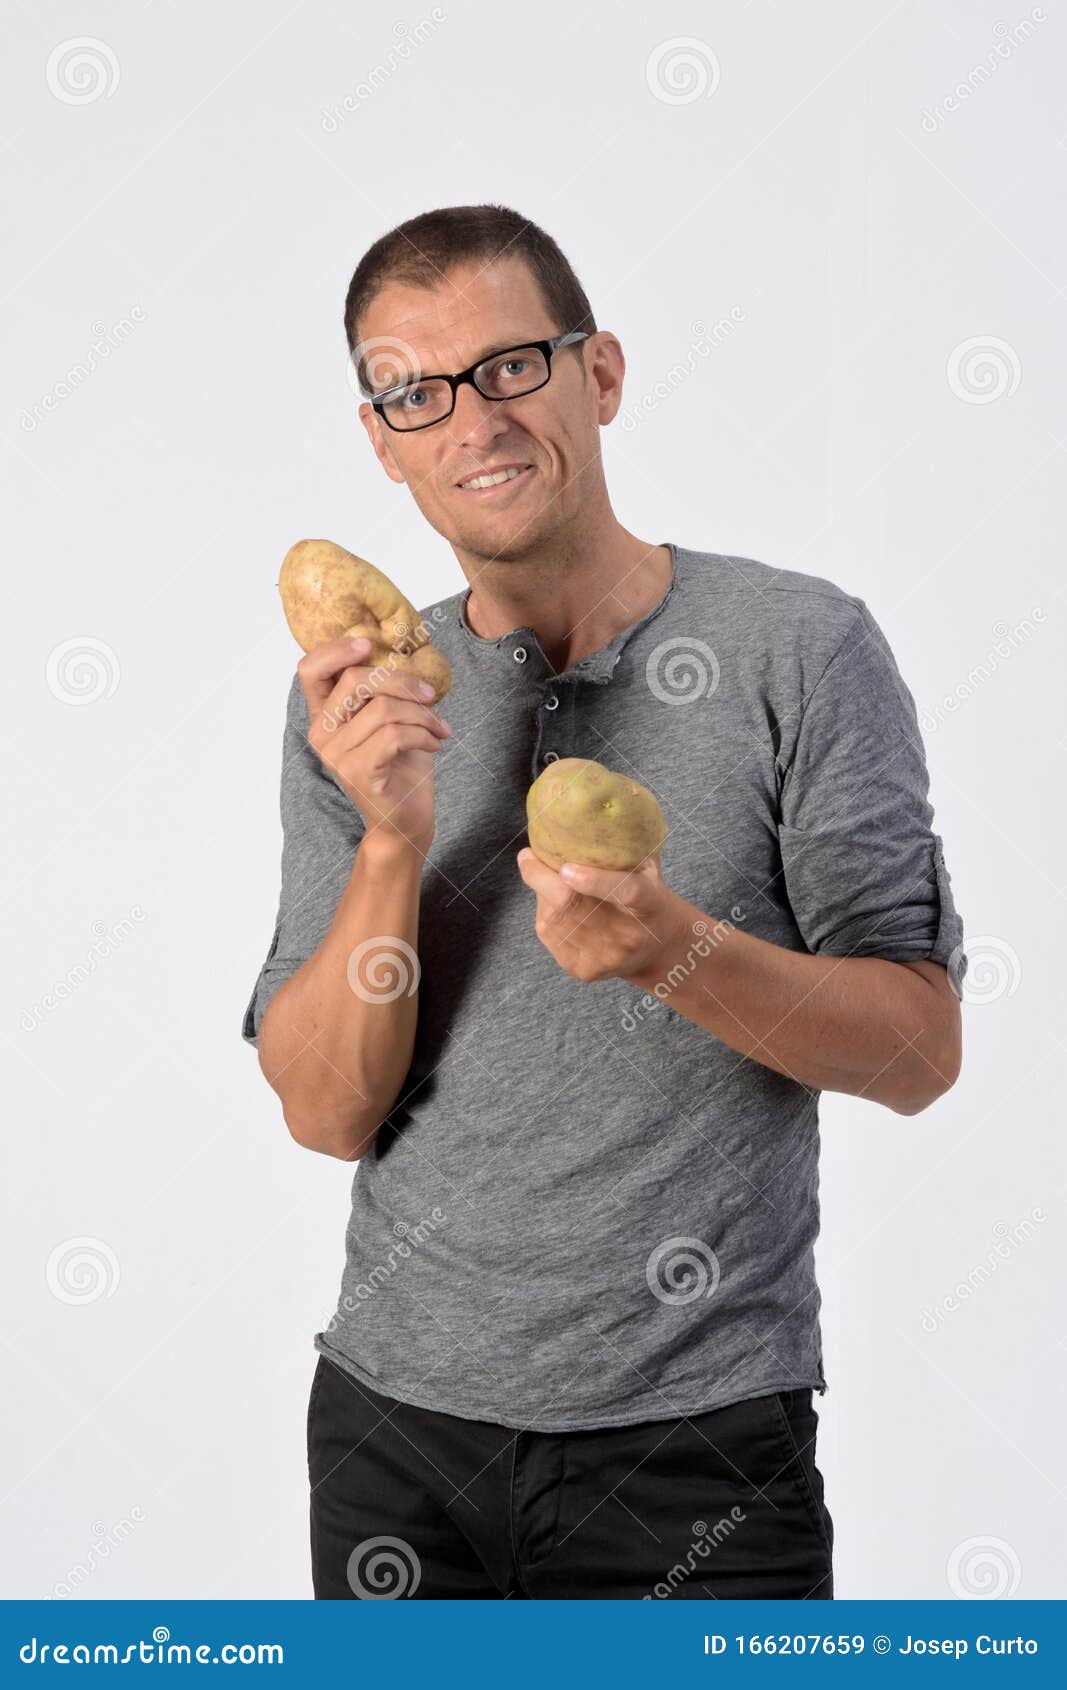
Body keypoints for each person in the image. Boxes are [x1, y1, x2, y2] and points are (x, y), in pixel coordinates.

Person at [242, 204, 968, 1601]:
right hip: (396, 1434)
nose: (476, 421)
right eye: (420, 392)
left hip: (698, 1455)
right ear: (381, 441)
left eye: (514, 364)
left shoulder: (799, 649)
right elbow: (325, 1110)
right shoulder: (353, 706)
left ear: (603, 373)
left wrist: (674, 951)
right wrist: (392, 842)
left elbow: (920, 1050)